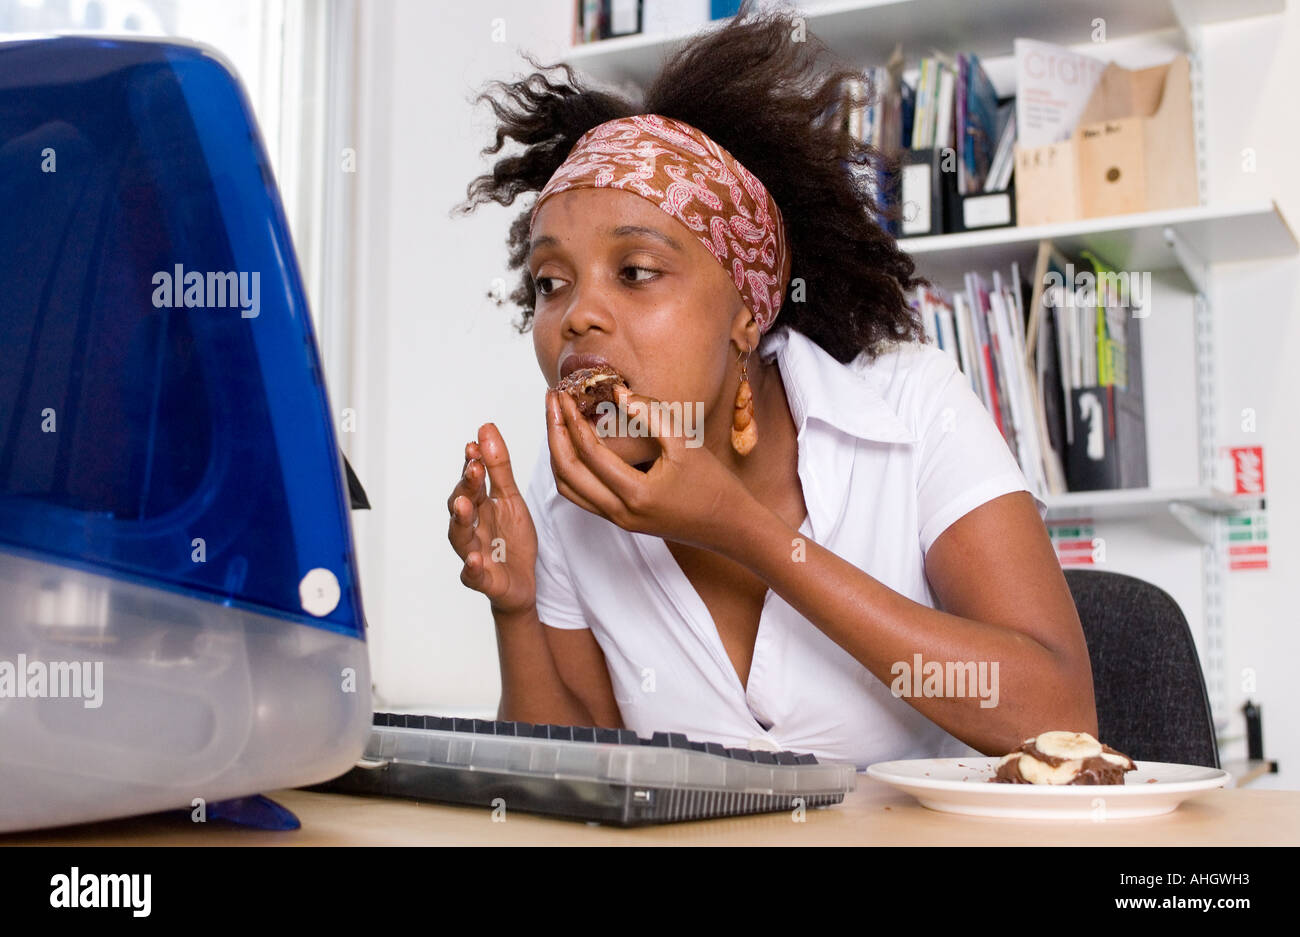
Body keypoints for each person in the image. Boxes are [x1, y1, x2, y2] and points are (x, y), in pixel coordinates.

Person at [448, 0, 1096, 768]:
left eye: (637, 272)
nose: (578, 315)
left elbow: (1057, 707)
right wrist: (516, 606)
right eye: (551, 282)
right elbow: (578, 766)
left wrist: (744, 530)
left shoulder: (911, 405)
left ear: (748, 312)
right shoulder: (565, 498)